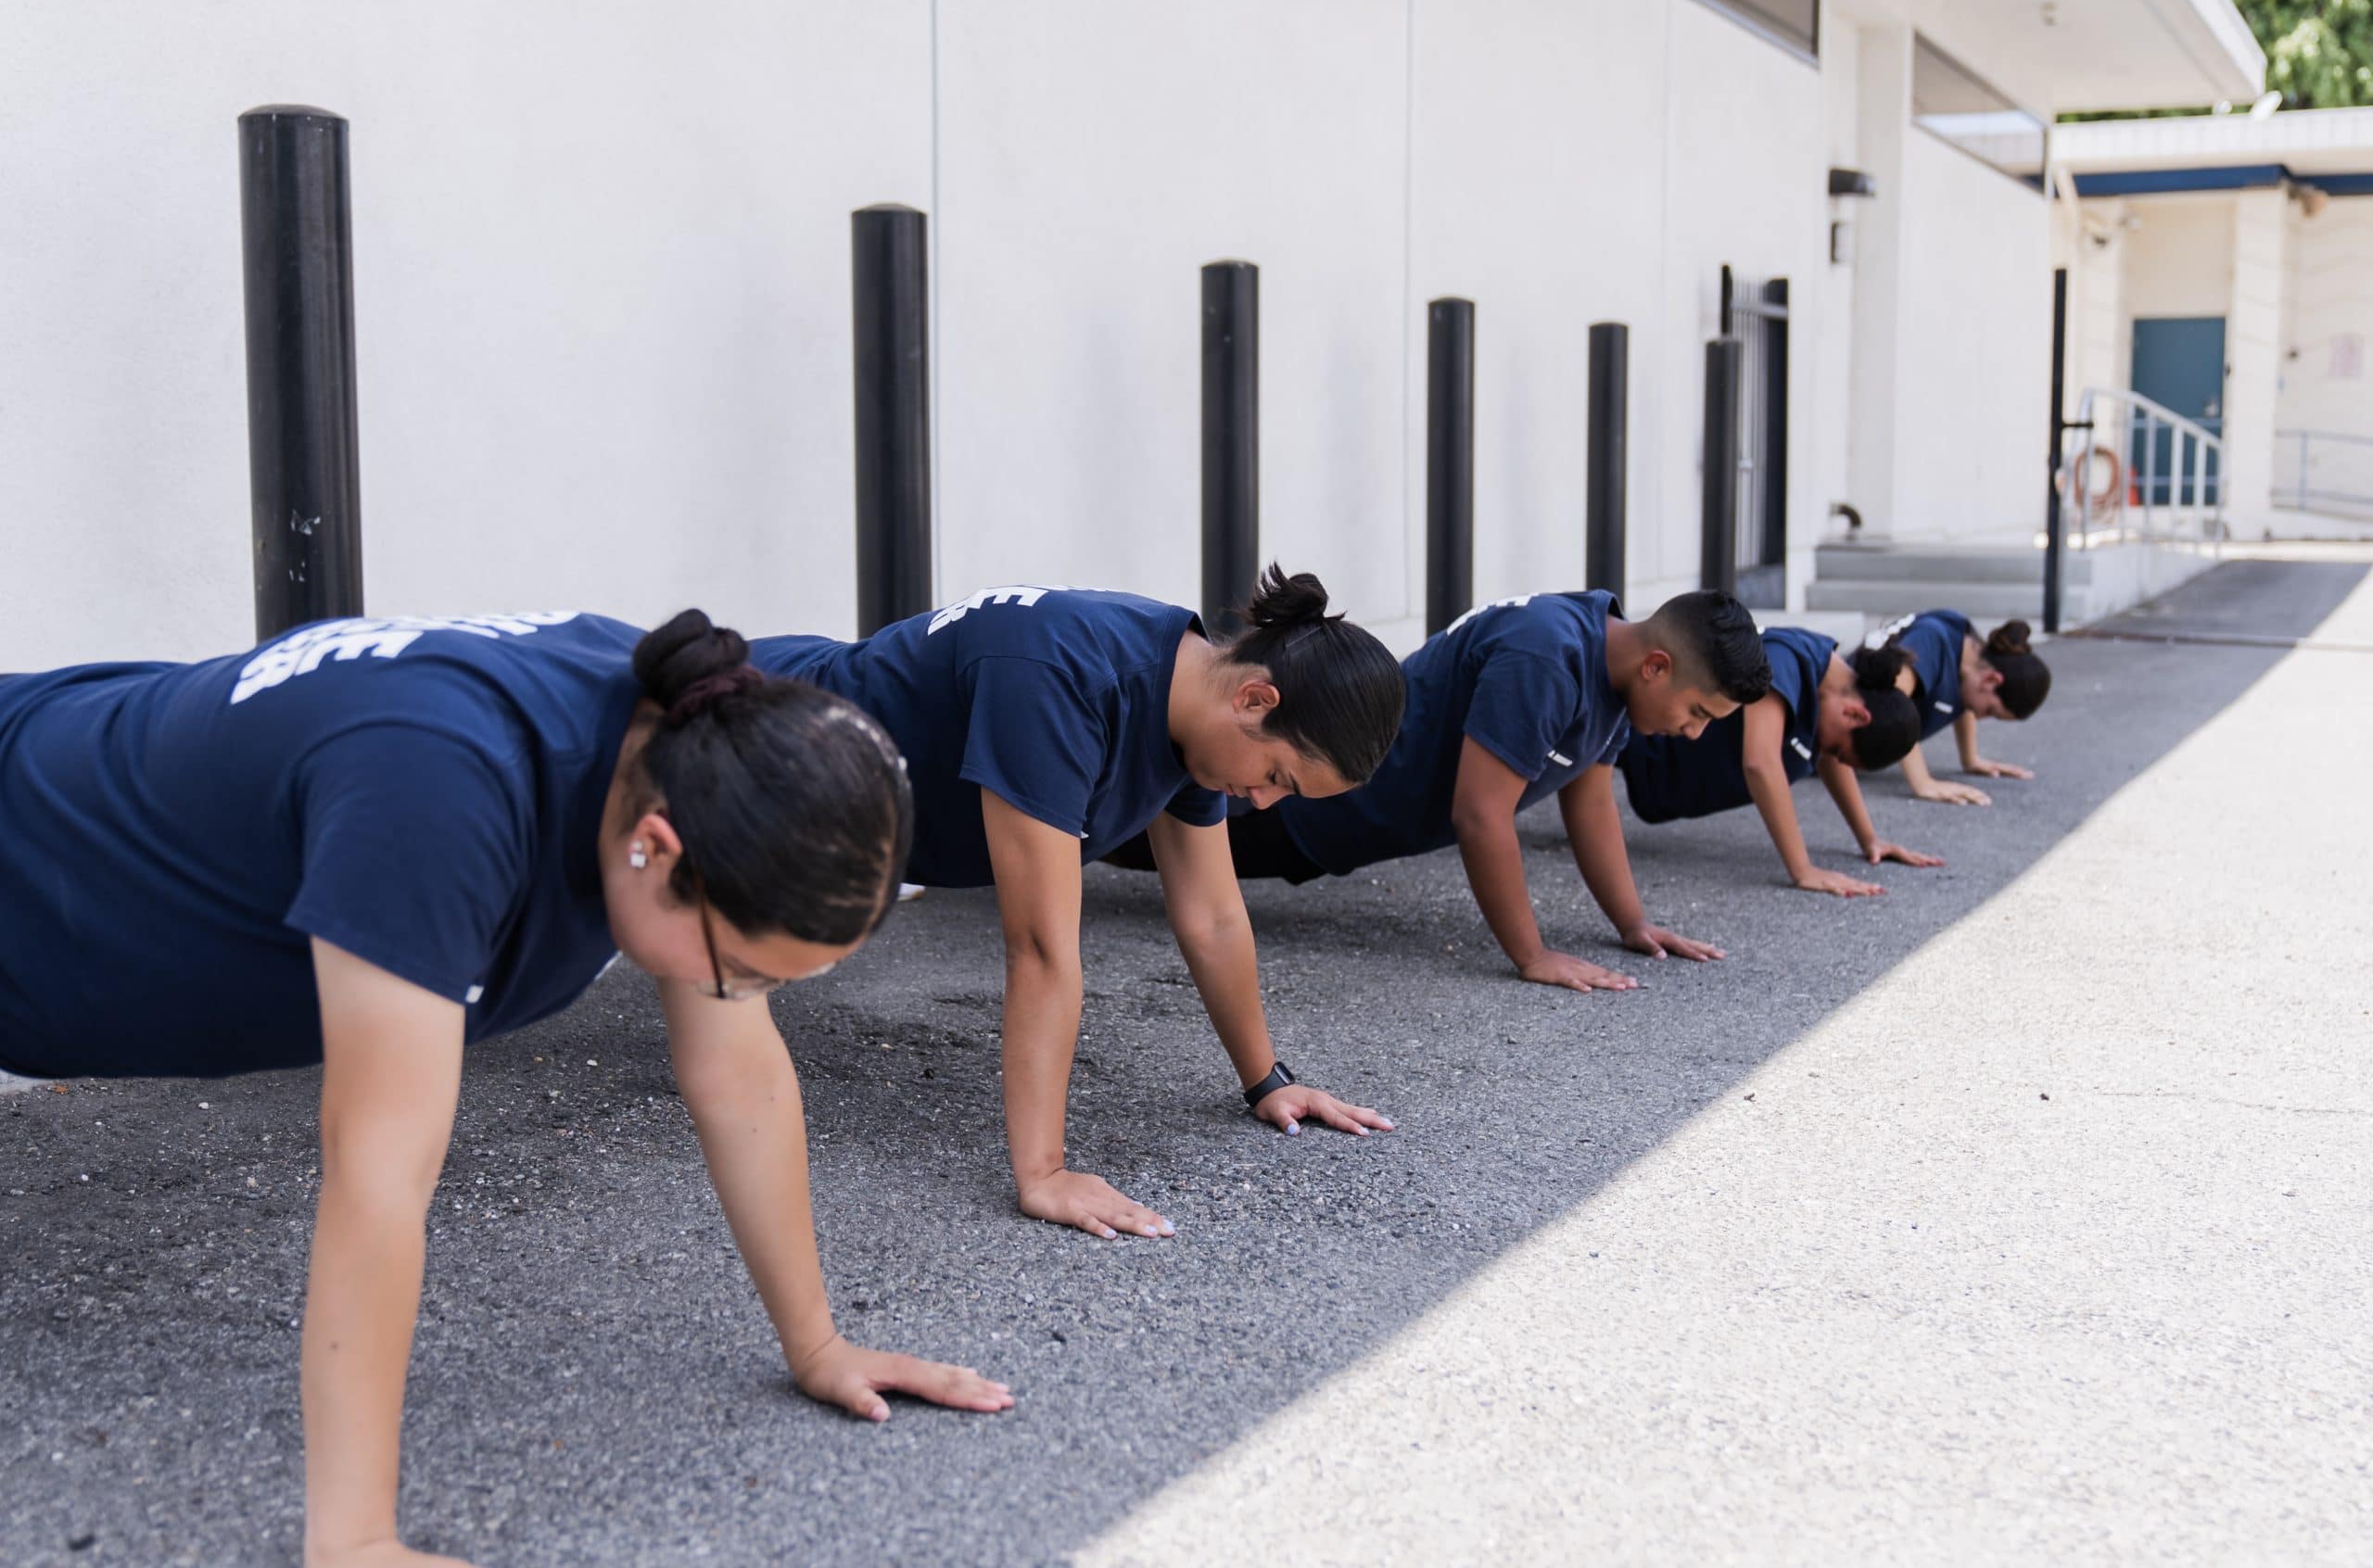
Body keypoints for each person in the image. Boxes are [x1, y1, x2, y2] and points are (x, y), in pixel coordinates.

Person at [0, 609, 1011, 1568]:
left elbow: (737, 1072)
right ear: (655, 849)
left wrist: (818, 1342)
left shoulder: (690, 746)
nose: (739, 1000)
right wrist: (353, 1540)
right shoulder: (437, 794)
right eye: (741, 972)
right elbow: (378, 1176)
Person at [749, 567, 1405, 1245]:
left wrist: (1267, 1082)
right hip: (756, 749)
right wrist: (1044, 1174)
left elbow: (1212, 914)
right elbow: (1039, 947)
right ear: (1255, 699)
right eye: (1277, 777)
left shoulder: (1194, 708)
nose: (1265, 801)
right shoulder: (1060, 675)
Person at [1107, 589, 1770, 994]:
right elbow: (1481, 815)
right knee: (1112, 826)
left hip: (1338, 821)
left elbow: (1590, 797)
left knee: (1116, 824)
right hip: (1296, 800)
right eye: (1700, 713)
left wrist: (1633, 924)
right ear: (1658, 666)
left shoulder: (1616, 684)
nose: (1690, 733)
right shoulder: (1548, 654)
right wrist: (1532, 956)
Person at [1617, 630, 1939, 898]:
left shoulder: (1829, 692)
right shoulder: (1785, 659)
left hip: (1655, 767)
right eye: (1838, 749)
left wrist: (1870, 839)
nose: (1829, 755)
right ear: (1854, 714)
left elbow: (1831, 761)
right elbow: (1760, 761)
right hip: (1638, 733)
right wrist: (1803, 870)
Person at [1867, 611, 2053, 806]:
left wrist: (1970, 758)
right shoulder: (1932, 639)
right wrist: (1923, 782)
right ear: (1991, 679)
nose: (1980, 717)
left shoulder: (1968, 654)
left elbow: (1965, 699)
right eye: (1990, 711)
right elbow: (1892, 699)